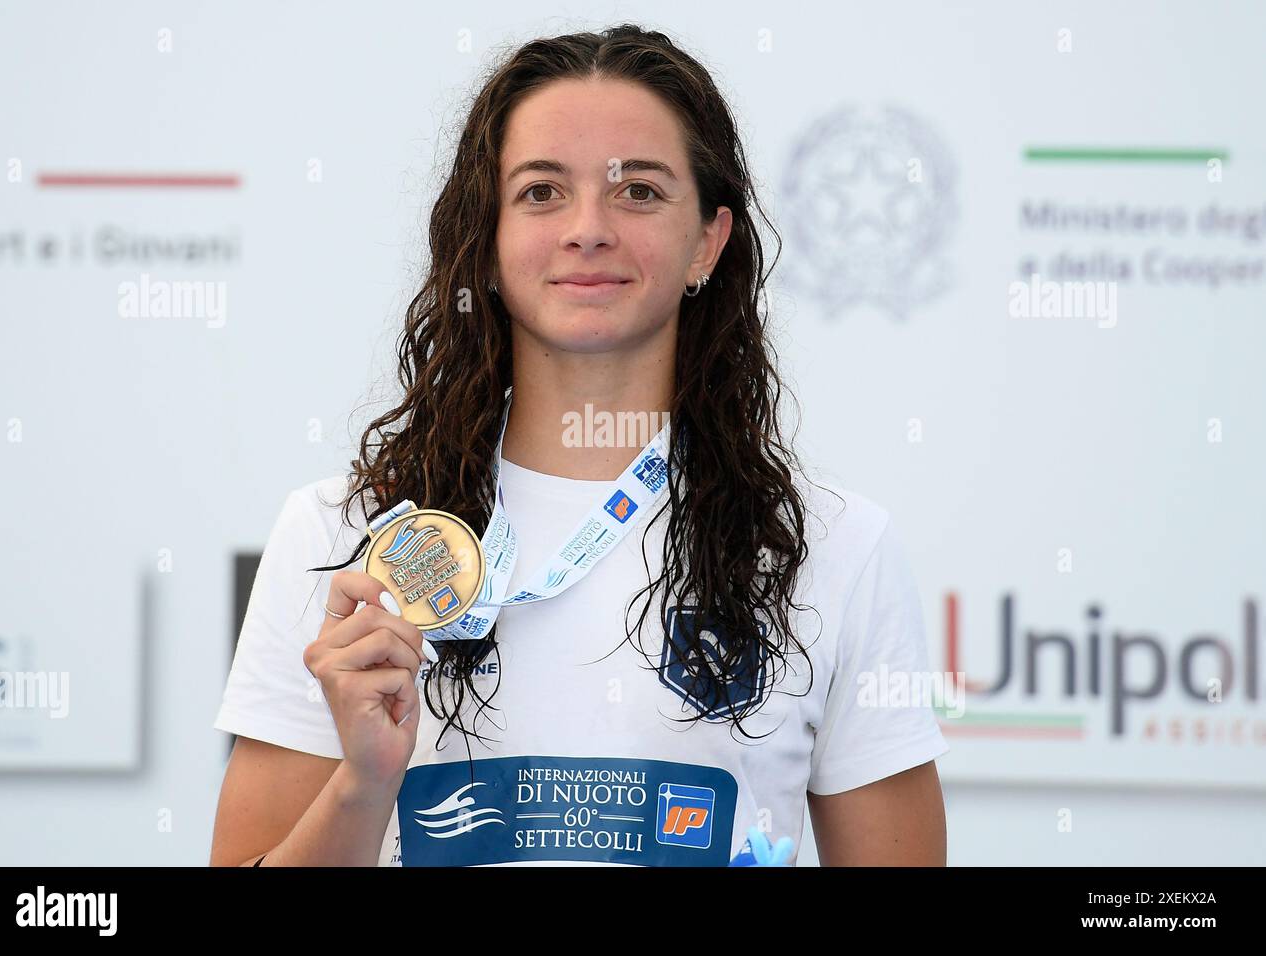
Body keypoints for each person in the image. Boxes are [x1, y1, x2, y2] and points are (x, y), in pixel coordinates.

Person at [209, 23, 948, 867]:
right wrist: (365, 784)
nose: (588, 229)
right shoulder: (343, 536)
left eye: (638, 190)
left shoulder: (834, 549)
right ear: (484, 239)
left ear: (708, 240)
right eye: (541, 192)